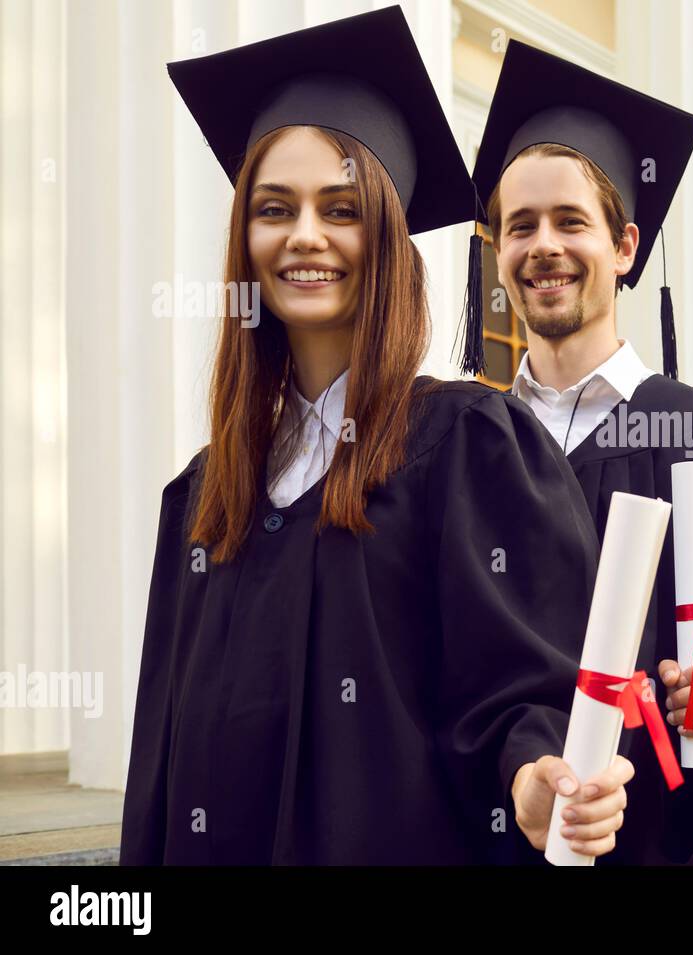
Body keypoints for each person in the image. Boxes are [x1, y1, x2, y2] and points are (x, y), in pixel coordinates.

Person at [122, 8, 628, 865]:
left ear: (387, 238)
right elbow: (159, 769)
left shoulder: (467, 445)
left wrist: (534, 777)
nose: (305, 235)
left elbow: (516, 694)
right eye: (274, 208)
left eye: (342, 208)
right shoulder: (202, 498)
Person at [473, 41, 693, 863]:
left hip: (663, 841)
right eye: (519, 226)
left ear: (626, 246)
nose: (543, 247)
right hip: (497, 833)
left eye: (571, 221)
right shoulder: (472, 441)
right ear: (498, 253)